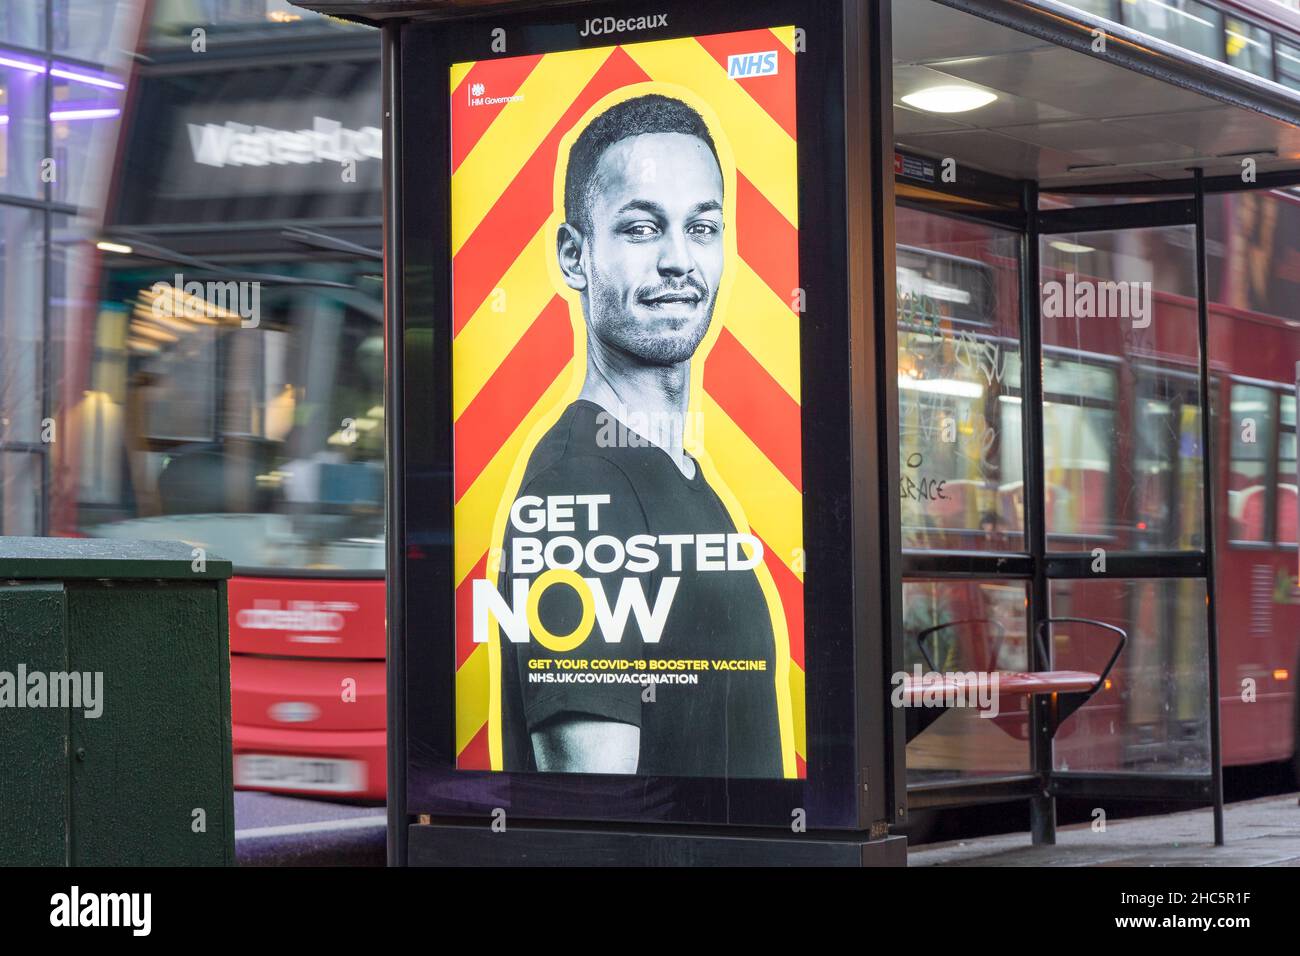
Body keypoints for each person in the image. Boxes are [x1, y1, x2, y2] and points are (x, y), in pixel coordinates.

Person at [496, 94, 783, 778]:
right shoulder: (577, 487)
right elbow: (593, 806)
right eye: (642, 228)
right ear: (574, 256)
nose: (679, 260)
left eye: (703, 227)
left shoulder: (680, 473)